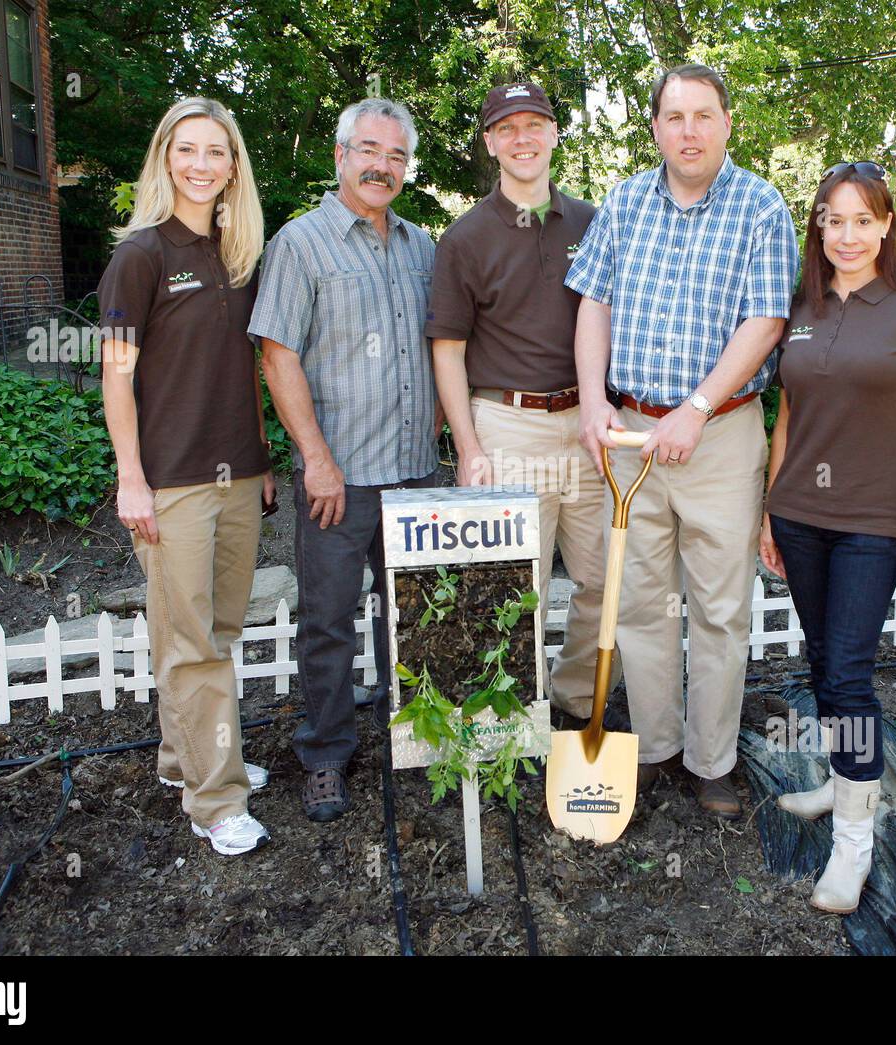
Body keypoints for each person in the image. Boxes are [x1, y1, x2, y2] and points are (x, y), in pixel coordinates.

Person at [565, 64, 798, 819]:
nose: (689, 130)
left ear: (727, 121)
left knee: (720, 608)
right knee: (638, 602)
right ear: (657, 127)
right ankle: (657, 750)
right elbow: (593, 302)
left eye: (704, 115)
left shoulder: (762, 206)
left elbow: (764, 321)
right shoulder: (626, 201)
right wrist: (594, 401)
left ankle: (712, 761)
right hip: (630, 431)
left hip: (719, 434)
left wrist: (696, 407)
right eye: (674, 117)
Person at [760, 161, 896, 913]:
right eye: (832, 220)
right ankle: (839, 784)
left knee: (848, 676)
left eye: (861, 220)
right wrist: (767, 510)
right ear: (820, 226)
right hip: (798, 517)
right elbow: (786, 415)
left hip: (871, 525)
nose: (846, 234)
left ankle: (855, 842)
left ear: (886, 225)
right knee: (822, 660)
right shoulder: (802, 304)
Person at [250, 98, 439, 824]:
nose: (381, 165)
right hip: (339, 475)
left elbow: (441, 349)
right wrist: (315, 459)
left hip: (415, 469)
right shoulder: (301, 244)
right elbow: (277, 353)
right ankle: (326, 754)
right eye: (368, 150)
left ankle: (414, 739)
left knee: (415, 616)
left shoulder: (424, 247)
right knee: (327, 621)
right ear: (339, 157)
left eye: (395, 155)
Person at [99, 97, 274, 856]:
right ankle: (216, 798)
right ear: (164, 158)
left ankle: (184, 758)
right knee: (191, 644)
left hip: (238, 474)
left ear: (234, 166)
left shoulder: (241, 257)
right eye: (187, 150)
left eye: (216, 152)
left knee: (217, 632)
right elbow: (115, 377)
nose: (201, 165)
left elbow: (250, 369)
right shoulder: (139, 256)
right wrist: (129, 477)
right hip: (171, 482)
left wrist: (263, 458)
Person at [427, 82, 612, 727]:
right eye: (508, 128)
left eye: (535, 124)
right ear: (490, 143)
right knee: (510, 585)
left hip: (588, 425)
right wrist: (470, 449)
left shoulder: (593, 224)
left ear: (556, 133)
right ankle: (507, 719)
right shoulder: (465, 238)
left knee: (603, 579)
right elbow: (447, 352)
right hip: (507, 426)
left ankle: (575, 698)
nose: (523, 138)